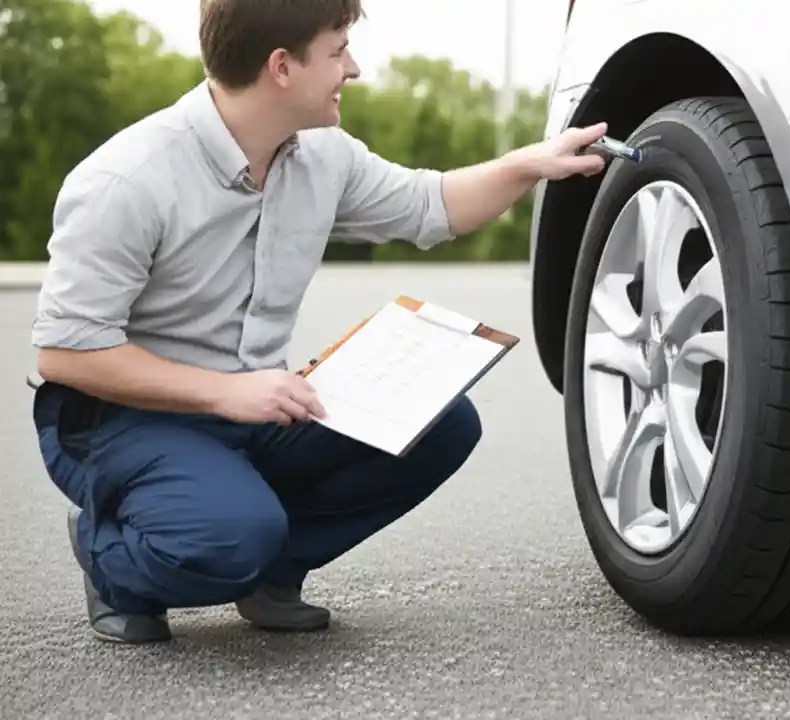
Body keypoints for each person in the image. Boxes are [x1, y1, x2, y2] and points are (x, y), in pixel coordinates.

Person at [29, 0, 608, 645]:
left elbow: (431, 204)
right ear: (282, 67)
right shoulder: (127, 180)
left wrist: (532, 163)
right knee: (232, 536)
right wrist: (228, 391)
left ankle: (268, 572)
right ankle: (111, 557)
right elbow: (65, 354)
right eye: (337, 50)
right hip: (122, 420)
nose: (352, 68)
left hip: (252, 405)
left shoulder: (322, 158)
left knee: (439, 423)